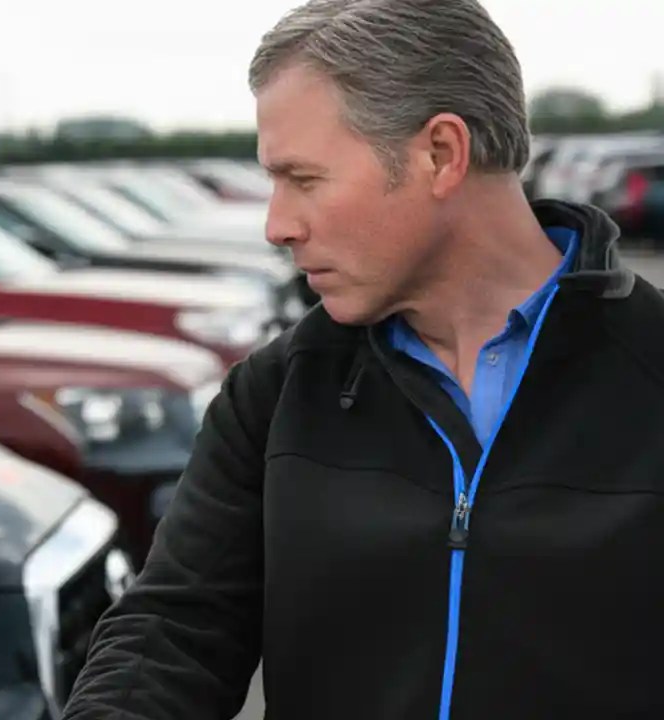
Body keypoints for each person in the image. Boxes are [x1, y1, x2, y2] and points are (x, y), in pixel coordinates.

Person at [61, 0, 664, 718]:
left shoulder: (650, 371)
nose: (277, 225)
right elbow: (170, 633)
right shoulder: (276, 393)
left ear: (440, 154)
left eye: (304, 179)